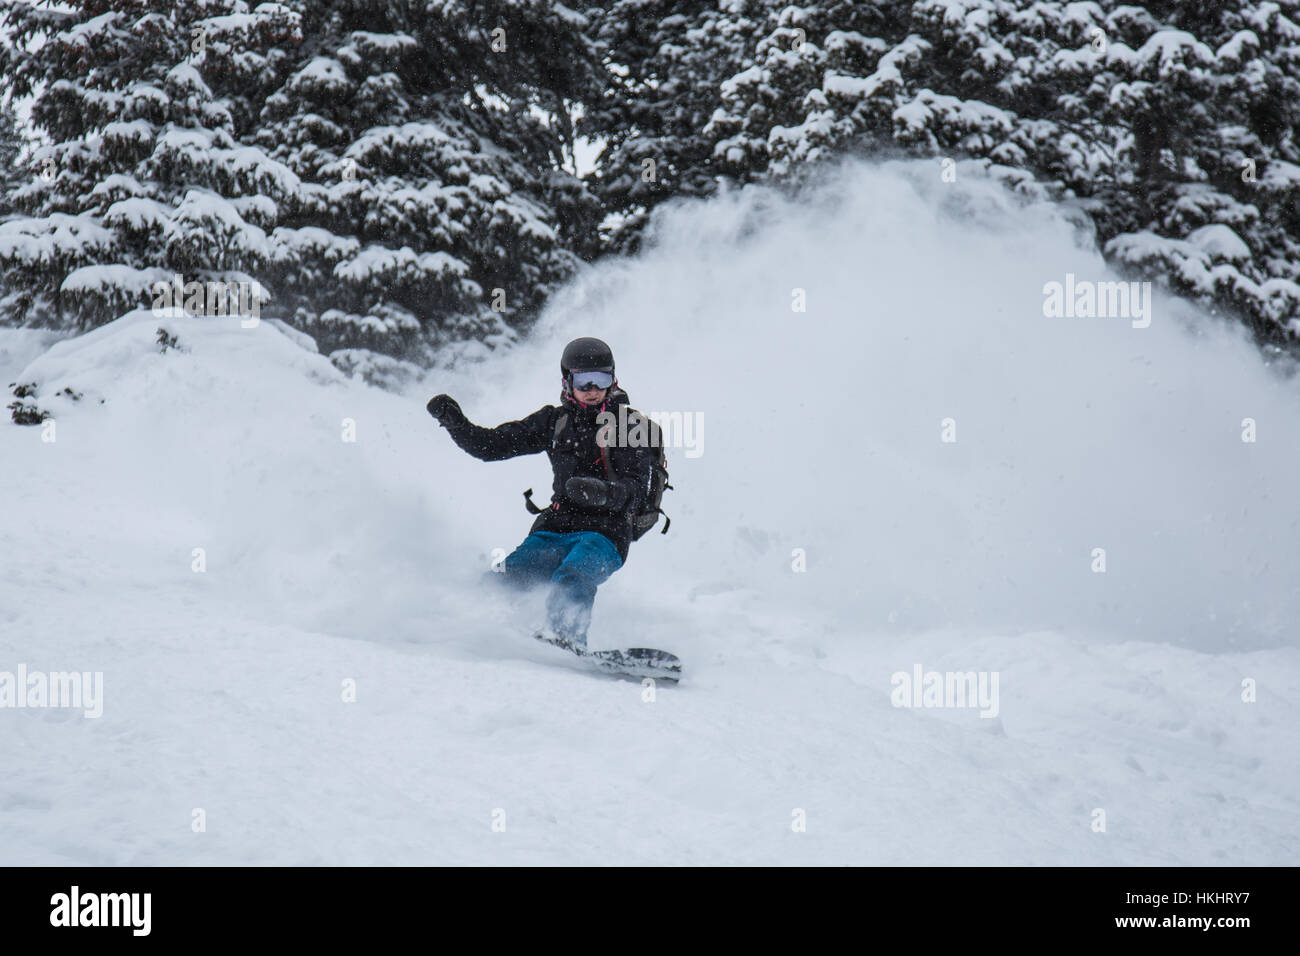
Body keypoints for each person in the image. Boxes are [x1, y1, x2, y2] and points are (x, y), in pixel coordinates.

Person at [426, 337, 654, 647]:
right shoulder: (554, 422)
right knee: (509, 578)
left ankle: (566, 639)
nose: (592, 390)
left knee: (573, 575)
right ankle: (451, 624)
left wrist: (603, 493)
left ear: (613, 380)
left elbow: (639, 488)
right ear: (567, 381)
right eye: (583, 381)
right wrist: (455, 423)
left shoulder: (632, 426)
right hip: (555, 527)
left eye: (601, 380)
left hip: (607, 533)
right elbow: (490, 446)